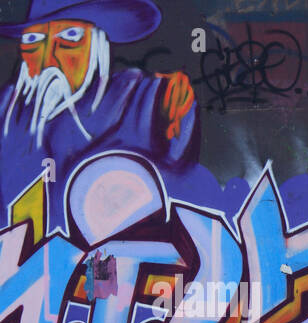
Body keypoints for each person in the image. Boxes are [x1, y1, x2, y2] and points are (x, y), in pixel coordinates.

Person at [0, 0, 196, 227]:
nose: (48, 58)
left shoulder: (142, 102)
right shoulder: (7, 112)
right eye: (33, 40)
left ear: (98, 43)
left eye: (70, 36)